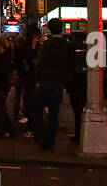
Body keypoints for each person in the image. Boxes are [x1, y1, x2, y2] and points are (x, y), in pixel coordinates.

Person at [33, 20, 68, 153]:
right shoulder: (66, 46)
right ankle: (50, 142)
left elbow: (39, 64)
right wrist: (64, 81)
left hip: (45, 83)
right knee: (54, 115)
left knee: (36, 110)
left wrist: (38, 79)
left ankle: (40, 137)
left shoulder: (46, 45)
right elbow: (69, 65)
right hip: (57, 85)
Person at [65, 32, 88, 143]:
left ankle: (78, 134)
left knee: (76, 110)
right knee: (83, 109)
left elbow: (68, 66)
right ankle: (81, 133)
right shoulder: (89, 48)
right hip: (85, 84)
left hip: (74, 85)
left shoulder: (71, 48)